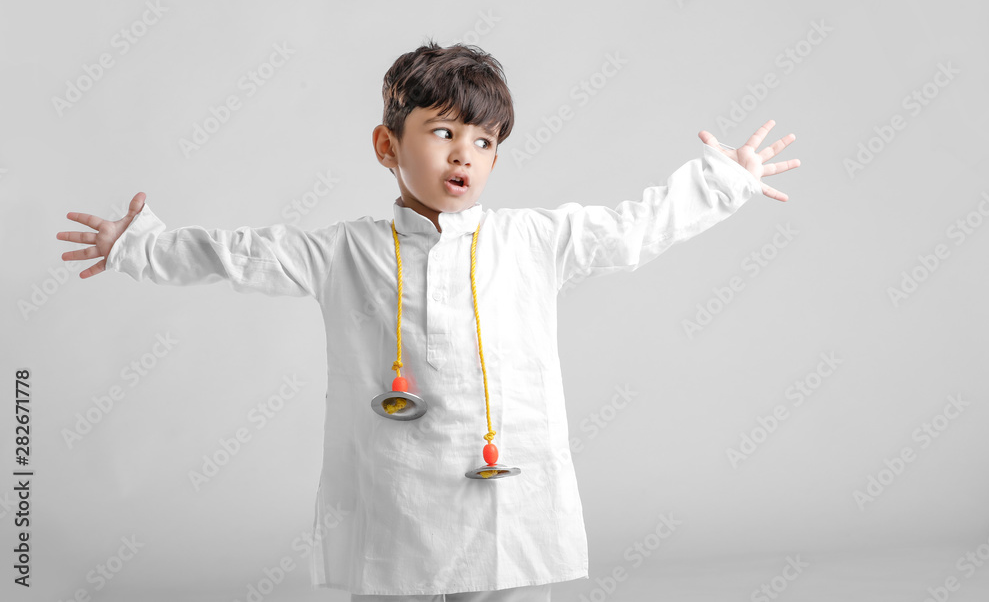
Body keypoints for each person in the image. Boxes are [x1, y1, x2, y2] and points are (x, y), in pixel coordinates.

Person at [56, 40, 799, 601]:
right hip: (394, 493)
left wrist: (723, 181)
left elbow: (635, 227)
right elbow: (240, 254)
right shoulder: (346, 251)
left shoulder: (532, 240)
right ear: (389, 145)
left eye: (484, 142)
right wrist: (139, 247)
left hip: (501, 489)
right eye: (443, 132)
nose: (465, 156)